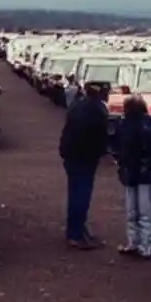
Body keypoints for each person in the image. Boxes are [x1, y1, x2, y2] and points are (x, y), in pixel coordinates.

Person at [58, 82, 110, 250]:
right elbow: (98, 136)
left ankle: (77, 231)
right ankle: (76, 234)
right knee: (81, 195)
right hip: (84, 158)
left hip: (73, 155)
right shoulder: (96, 111)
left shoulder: (78, 106)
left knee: (75, 193)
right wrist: (101, 151)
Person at [115, 95, 151, 259]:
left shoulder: (125, 123)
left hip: (133, 171)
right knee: (144, 211)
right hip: (144, 172)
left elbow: (119, 147)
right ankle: (145, 244)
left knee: (133, 211)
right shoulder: (148, 124)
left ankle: (136, 242)